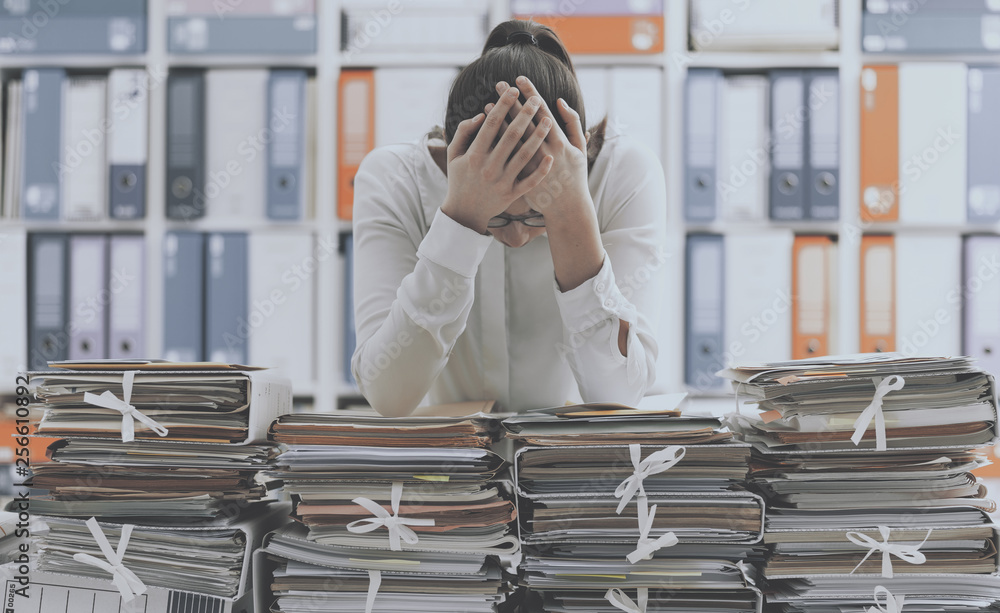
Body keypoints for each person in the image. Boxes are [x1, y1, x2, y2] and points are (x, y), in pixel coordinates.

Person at [351, 19, 667, 416]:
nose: (516, 239)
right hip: (456, 454)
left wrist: (570, 213)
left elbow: (620, 396)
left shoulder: (624, 173)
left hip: (570, 455)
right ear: (453, 152)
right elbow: (387, 394)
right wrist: (462, 219)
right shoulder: (393, 179)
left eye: (536, 216)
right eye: (496, 218)